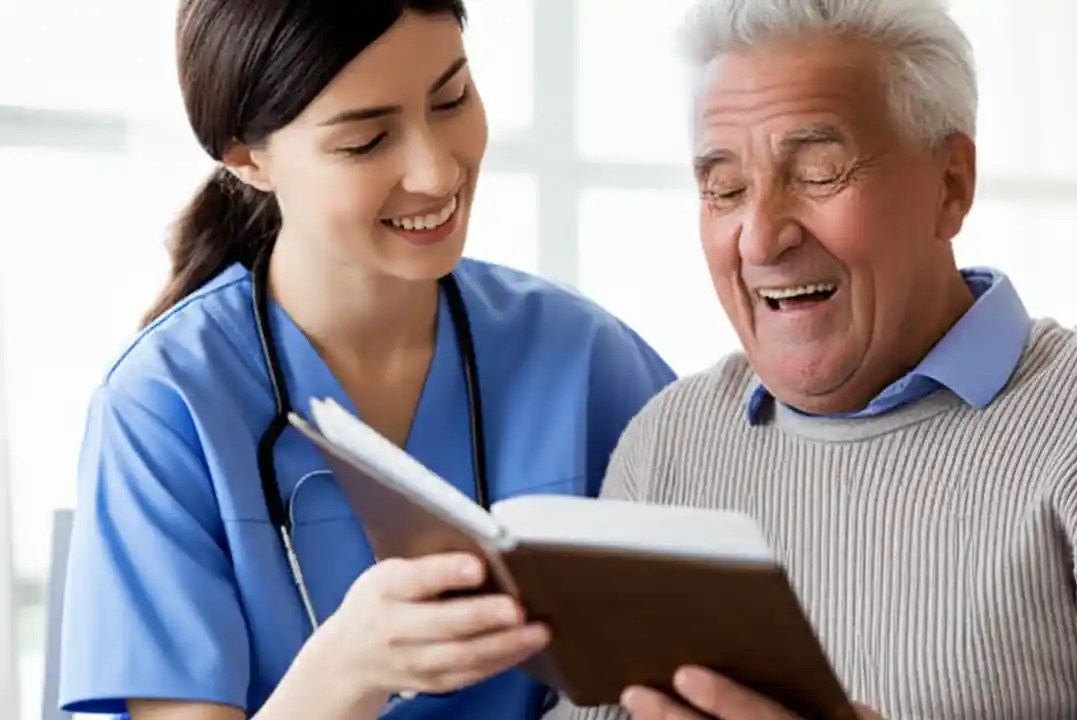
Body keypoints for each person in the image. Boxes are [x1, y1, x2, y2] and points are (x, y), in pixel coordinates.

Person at [551, 1, 1077, 718]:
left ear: (951, 185)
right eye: (725, 189)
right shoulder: (666, 446)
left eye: (819, 172)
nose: (761, 238)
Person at [57, 2, 676, 719]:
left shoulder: (585, 358)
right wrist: (350, 667)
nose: (437, 171)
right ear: (247, 158)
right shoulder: (166, 404)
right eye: (366, 141)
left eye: (452, 99)